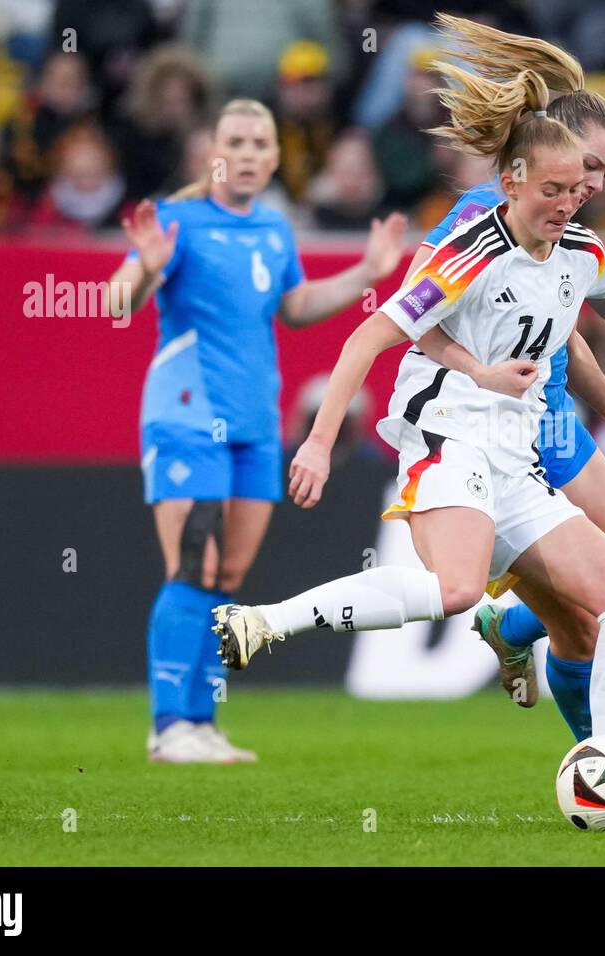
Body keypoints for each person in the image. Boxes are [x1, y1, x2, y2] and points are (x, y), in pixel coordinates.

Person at [212, 55, 605, 829]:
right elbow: (372, 336)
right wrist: (317, 442)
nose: (575, 198)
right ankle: (265, 622)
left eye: (581, 187)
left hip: (521, 451)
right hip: (450, 434)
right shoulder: (469, 245)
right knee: (453, 589)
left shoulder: (578, 247)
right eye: (560, 185)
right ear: (513, 180)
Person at [396, 16, 605, 752]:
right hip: (501, 434)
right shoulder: (485, 218)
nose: (602, 185)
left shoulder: (559, 222)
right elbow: (414, 319)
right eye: (594, 168)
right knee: (603, 612)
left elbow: (558, 325)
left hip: (556, 425)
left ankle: (511, 629)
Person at [108, 98, 407, 763]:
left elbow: (295, 307)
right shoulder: (177, 222)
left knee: (229, 573)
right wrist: (148, 266)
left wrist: (365, 273)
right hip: (186, 414)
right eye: (234, 141)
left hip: (254, 425)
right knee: (194, 564)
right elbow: (114, 299)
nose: (246, 154)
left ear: (275, 158)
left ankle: (203, 723)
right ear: (210, 152)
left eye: (258, 144)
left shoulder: (273, 229)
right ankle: (168, 727)